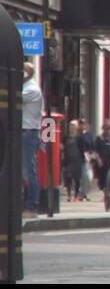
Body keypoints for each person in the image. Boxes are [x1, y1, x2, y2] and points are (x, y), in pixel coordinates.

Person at [21, 62, 44, 218]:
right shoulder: (26, 88)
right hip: (22, 133)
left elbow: (13, 97)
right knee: (21, 170)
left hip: (28, 133)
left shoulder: (31, 90)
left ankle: (32, 207)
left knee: (30, 171)